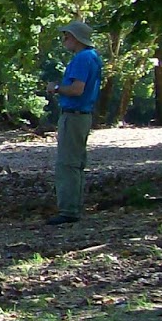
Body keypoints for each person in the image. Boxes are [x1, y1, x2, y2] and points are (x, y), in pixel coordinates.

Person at [45, 20, 102, 225]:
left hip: (74, 115)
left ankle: (68, 211)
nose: (64, 40)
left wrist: (57, 88)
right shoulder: (93, 57)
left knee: (67, 164)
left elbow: (77, 89)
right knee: (76, 162)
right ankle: (73, 207)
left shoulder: (82, 58)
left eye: (66, 36)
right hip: (83, 115)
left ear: (76, 38)